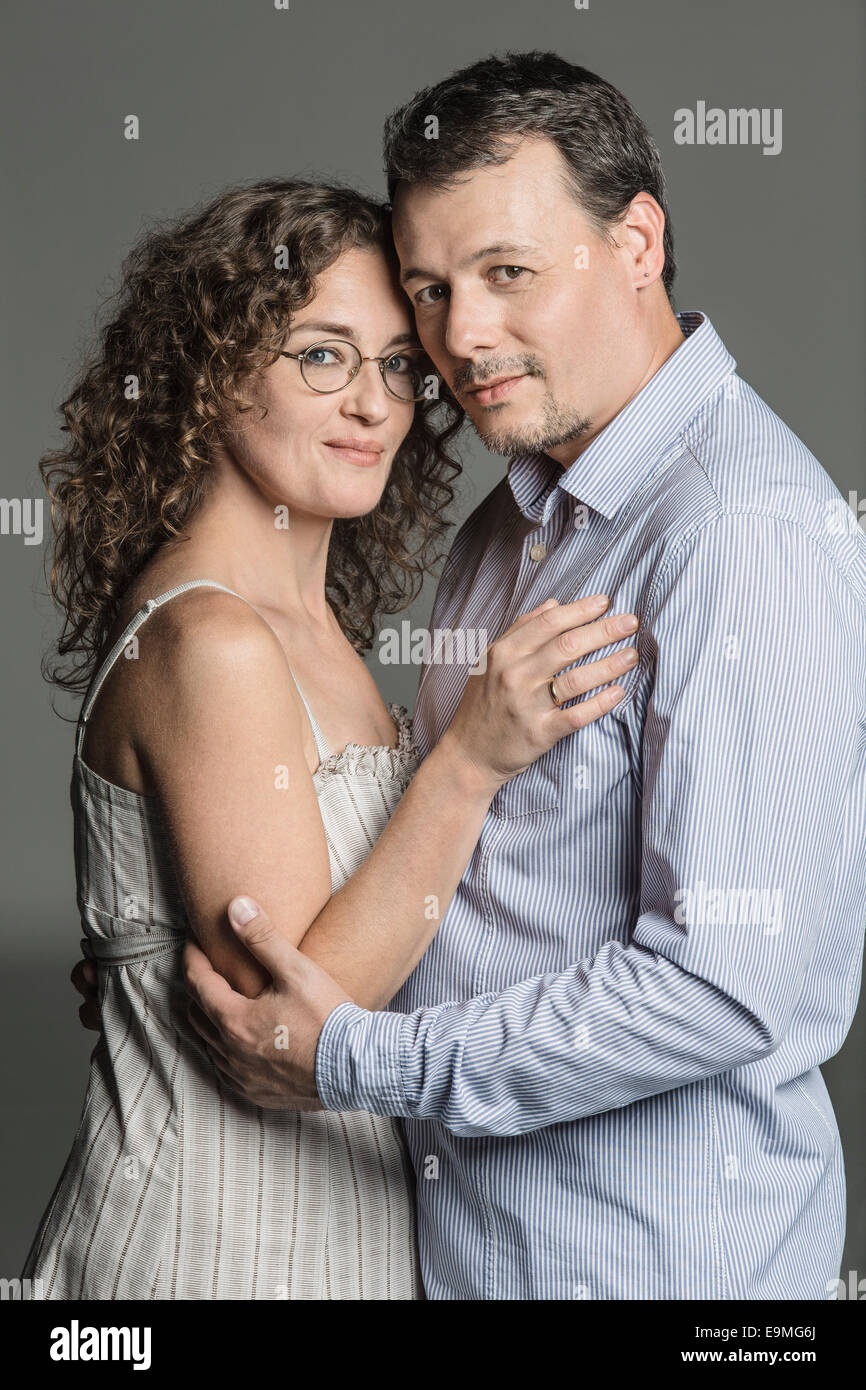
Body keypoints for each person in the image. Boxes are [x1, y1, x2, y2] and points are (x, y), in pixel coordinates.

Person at [176, 53, 866, 1300]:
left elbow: (720, 986)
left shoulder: (737, 530)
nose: (460, 337)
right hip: (465, 1261)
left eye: (507, 274)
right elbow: (477, 873)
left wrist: (355, 1063)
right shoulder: (514, 523)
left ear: (636, 241)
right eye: (432, 290)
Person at [25, 175, 635, 1299]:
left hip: (344, 1240)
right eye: (321, 354)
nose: (374, 403)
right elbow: (286, 1026)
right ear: (212, 372)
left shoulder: (315, 636)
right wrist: (468, 761)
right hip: (201, 1253)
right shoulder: (213, 638)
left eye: (400, 365)